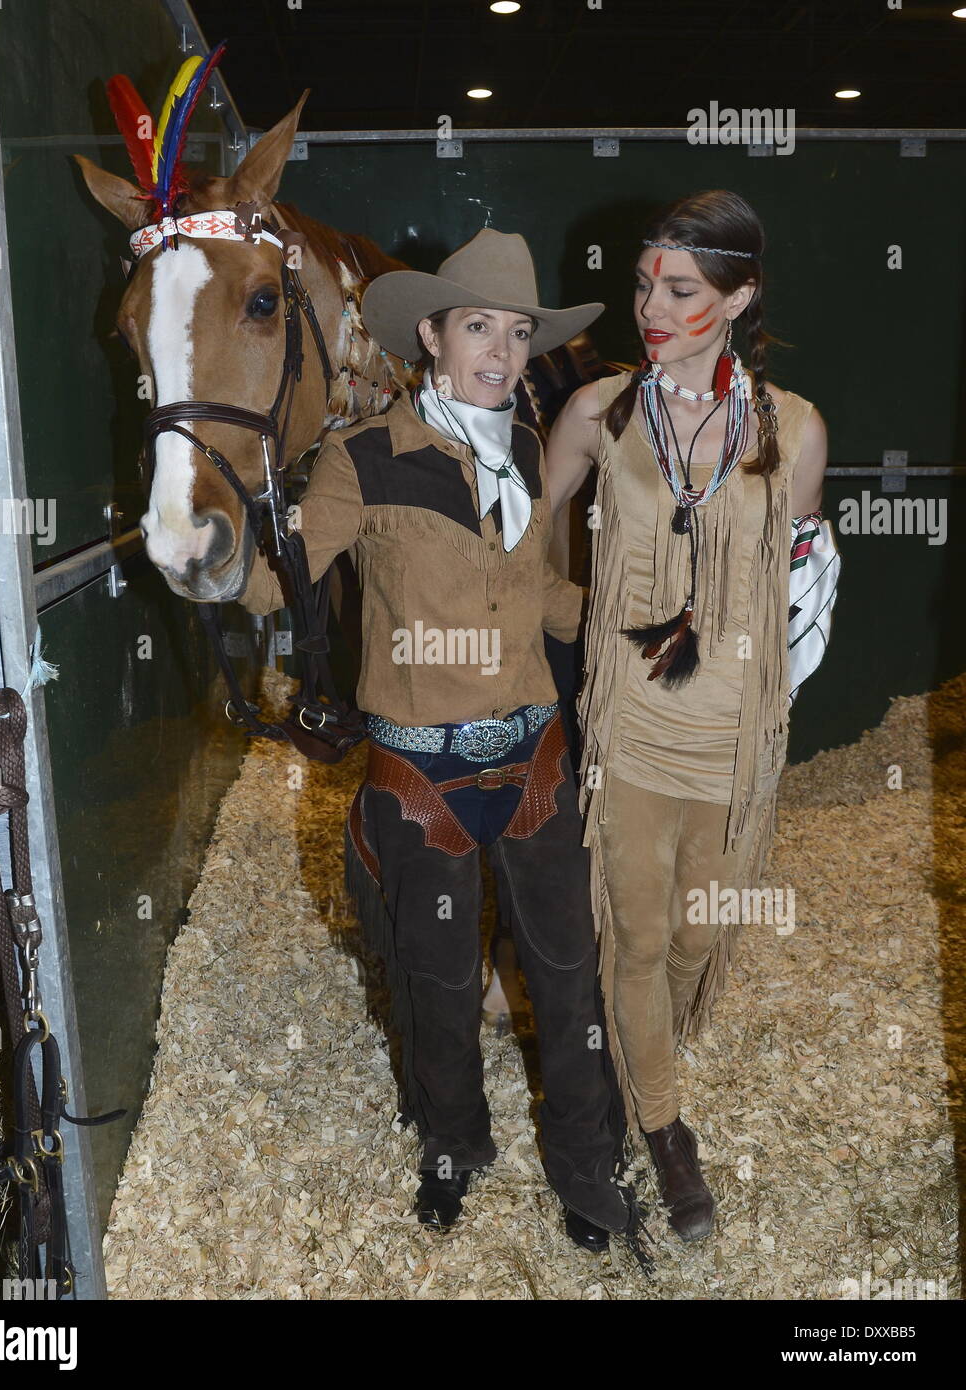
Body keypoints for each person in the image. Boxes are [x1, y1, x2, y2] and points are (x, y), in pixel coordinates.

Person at [240, 228, 645, 1258]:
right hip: (420, 773)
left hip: (536, 761)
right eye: (478, 327)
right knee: (436, 980)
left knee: (566, 970)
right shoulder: (361, 459)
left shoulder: (522, 443)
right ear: (429, 333)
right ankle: (453, 1144)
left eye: (516, 332)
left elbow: (539, 595)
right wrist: (226, 524)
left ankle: (586, 1159)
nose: (500, 352)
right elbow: (264, 585)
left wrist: (625, 633)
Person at [546, 190, 832, 1242]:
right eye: (641, 286)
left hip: (731, 743)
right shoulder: (599, 411)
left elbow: (800, 583)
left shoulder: (792, 428)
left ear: (739, 295)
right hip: (628, 730)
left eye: (680, 291)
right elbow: (526, 531)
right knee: (631, 936)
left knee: (693, 940)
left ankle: (640, 1068)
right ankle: (662, 1133)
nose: (650, 308)